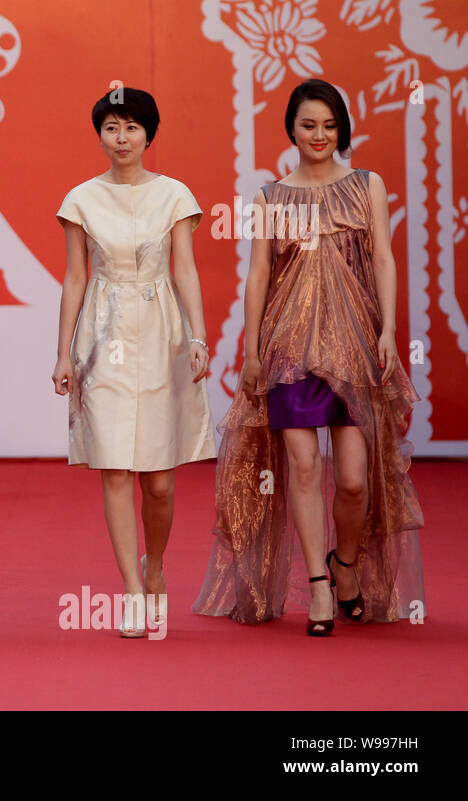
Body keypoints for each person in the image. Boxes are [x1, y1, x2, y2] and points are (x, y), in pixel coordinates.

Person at [192, 79, 425, 635]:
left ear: (341, 129)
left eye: (328, 125)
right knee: (299, 465)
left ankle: (343, 565)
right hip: (288, 350)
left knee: (352, 482)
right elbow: (258, 278)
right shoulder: (271, 197)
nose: (319, 135)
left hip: (354, 345)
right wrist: (250, 352)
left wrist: (389, 330)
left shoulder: (367, 185)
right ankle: (319, 593)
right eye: (307, 125)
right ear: (291, 130)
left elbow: (385, 262)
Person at [51, 88, 215, 637]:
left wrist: (198, 336)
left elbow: (185, 269)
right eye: (111, 128)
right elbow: (75, 278)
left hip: (162, 330)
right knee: (116, 468)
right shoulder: (81, 198)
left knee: (160, 481)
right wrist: (63, 353)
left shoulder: (174, 195)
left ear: (149, 133)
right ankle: (130, 589)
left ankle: (156, 565)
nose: (120, 139)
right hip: (103, 334)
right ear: (98, 135)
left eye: (131, 128)